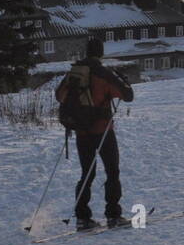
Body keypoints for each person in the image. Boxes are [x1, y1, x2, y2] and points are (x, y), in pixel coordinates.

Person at [56, 37, 134, 229]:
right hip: (102, 130)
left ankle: (82, 218)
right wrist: (122, 81)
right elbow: (128, 96)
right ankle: (113, 215)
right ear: (101, 52)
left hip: (82, 130)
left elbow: (59, 95)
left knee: (87, 173)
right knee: (112, 171)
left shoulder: (74, 73)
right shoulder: (104, 73)